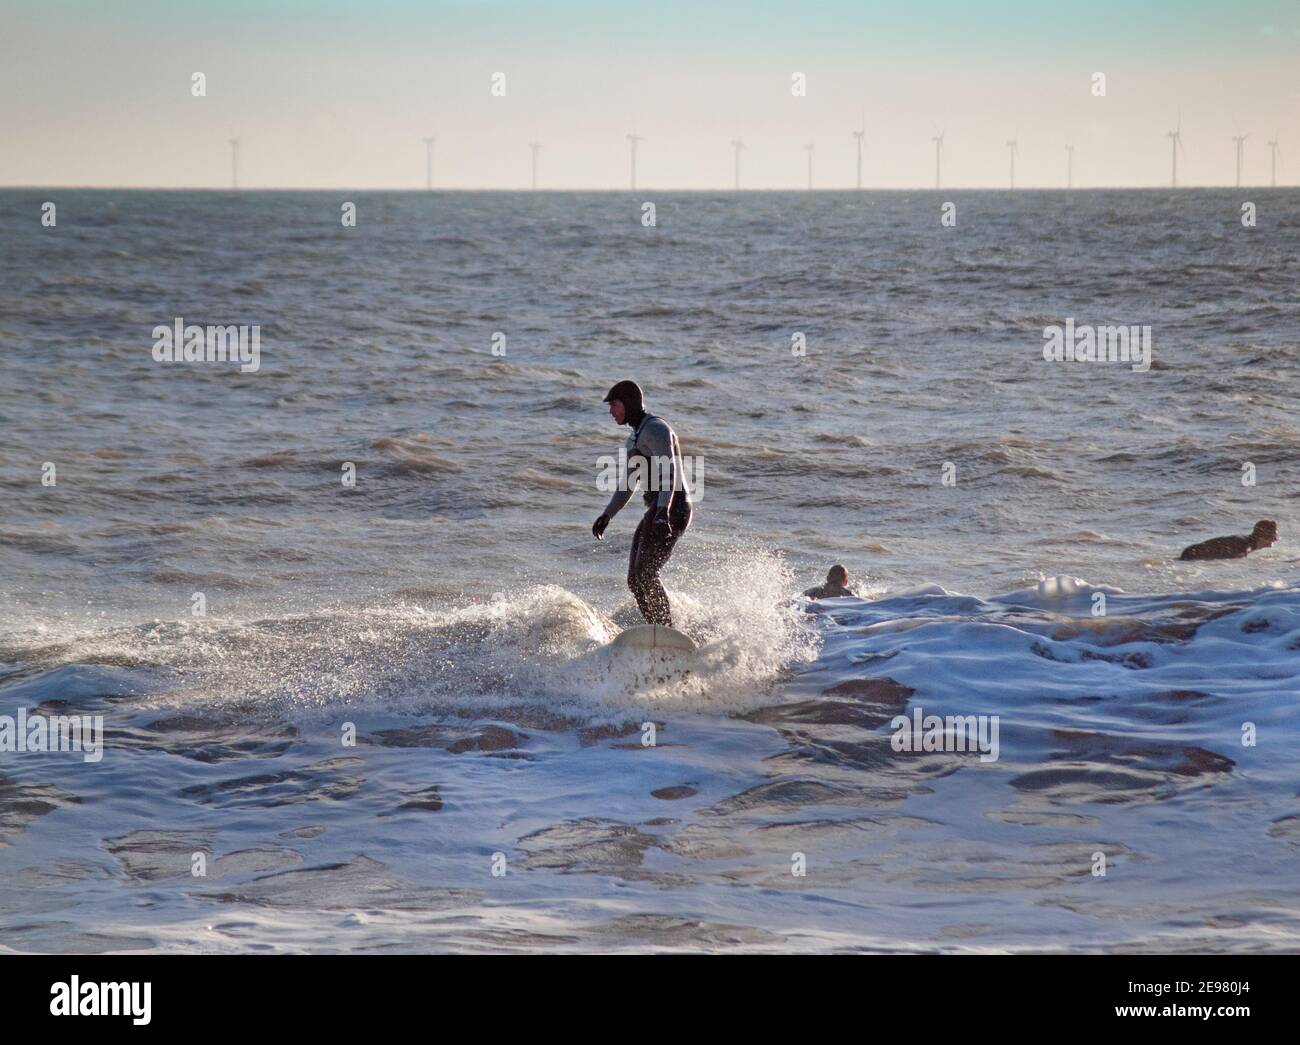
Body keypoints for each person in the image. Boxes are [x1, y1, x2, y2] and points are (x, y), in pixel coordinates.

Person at [591, 380, 692, 627]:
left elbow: (670, 473)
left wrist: (662, 512)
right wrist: (607, 515)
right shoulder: (635, 437)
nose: (611, 411)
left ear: (628, 403)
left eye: (614, 405)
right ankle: (656, 631)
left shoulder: (656, 429)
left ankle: (666, 630)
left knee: (646, 574)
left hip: (672, 507)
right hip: (657, 509)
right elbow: (628, 484)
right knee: (635, 580)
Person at [1179, 519, 1278, 561]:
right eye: (1274, 536)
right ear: (1262, 537)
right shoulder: (1244, 547)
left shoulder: (1246, 542)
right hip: (1191, 554)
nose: (1276, 539)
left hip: (1191, 551)